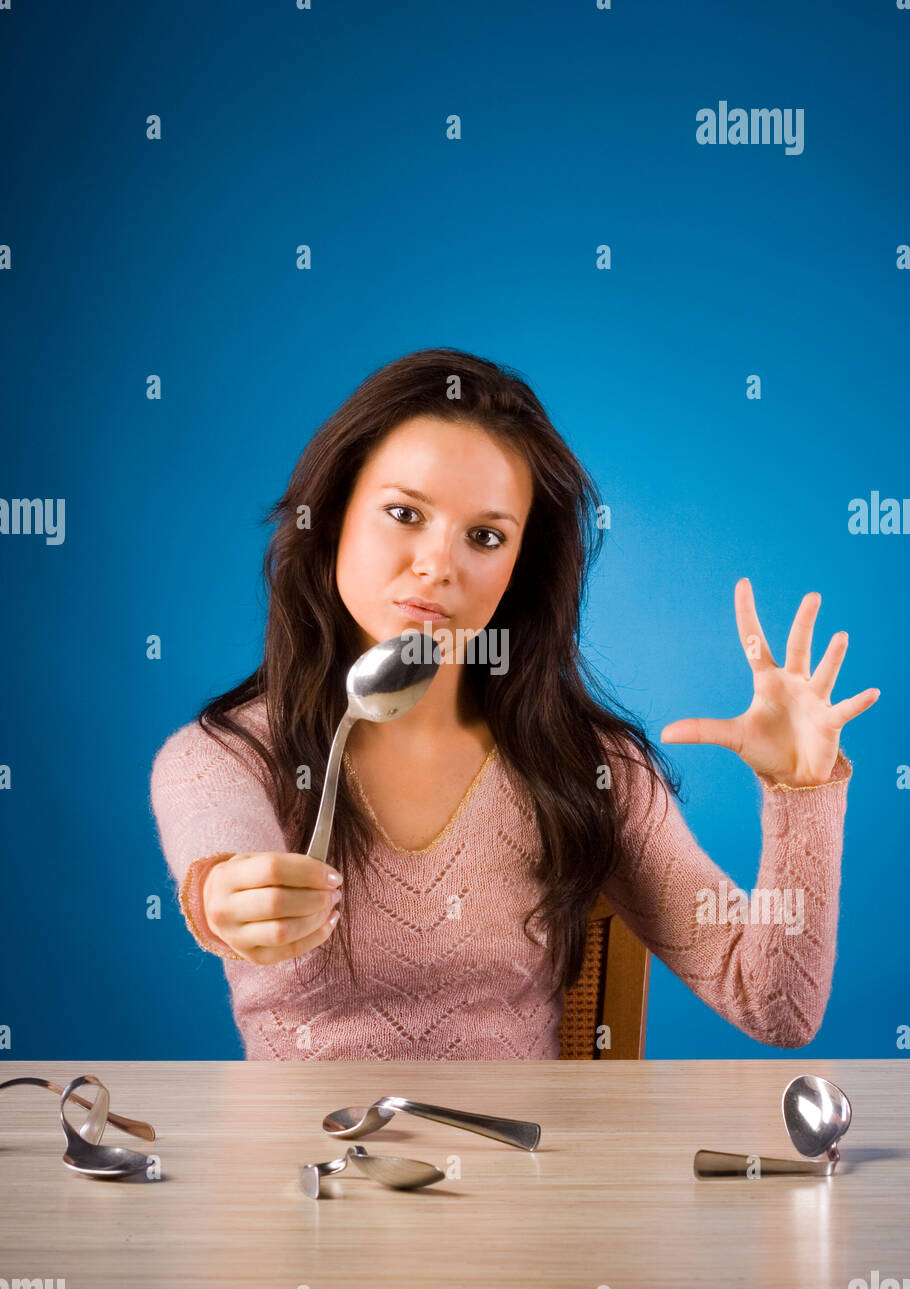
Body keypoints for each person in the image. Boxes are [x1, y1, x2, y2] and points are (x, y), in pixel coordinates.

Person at [149, 347, 878, 1060]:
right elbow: (222, 861)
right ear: (333, 517)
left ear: (518, 568)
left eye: (486, 536)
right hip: (304, 1175)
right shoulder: (219, 758)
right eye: (405, 514)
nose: (438, 564)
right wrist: (225, 898)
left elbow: (777, 1008)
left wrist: (801, 792)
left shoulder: (593, 769)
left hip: (524, 1174)